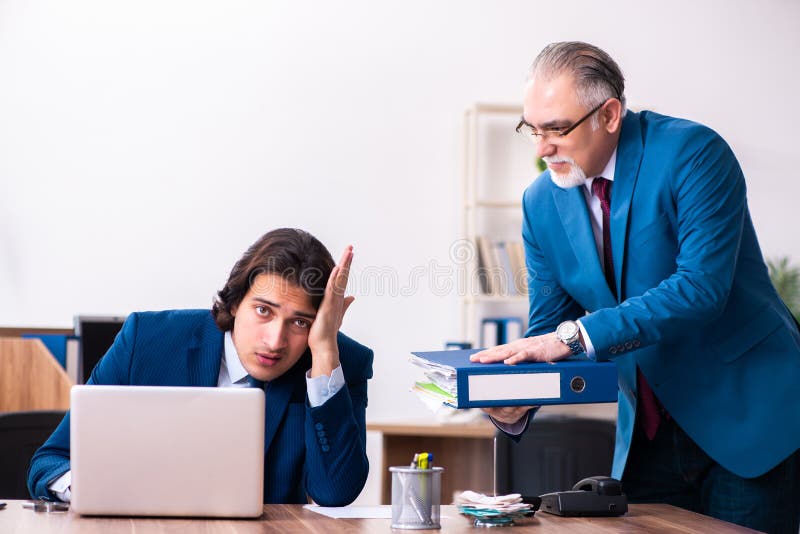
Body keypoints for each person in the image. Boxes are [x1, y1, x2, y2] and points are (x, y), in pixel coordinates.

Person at [472, 41, 800, 533]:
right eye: (532, 129)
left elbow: (700, 288)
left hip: (747, 419)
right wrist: (518, 397)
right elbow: (548, 329)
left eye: (557, 129)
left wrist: (569, 338)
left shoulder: (693, 153)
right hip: (647, 437)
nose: (541, 149)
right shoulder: (541, 203)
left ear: (609, 114)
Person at [28, 228, 373, 506]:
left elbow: (335, 493)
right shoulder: (146, 341)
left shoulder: (339, 363)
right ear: (236, 302)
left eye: (299, 322)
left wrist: (325, 350)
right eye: (264, 311)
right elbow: (49, 462)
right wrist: (94, 492)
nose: (275, 341)